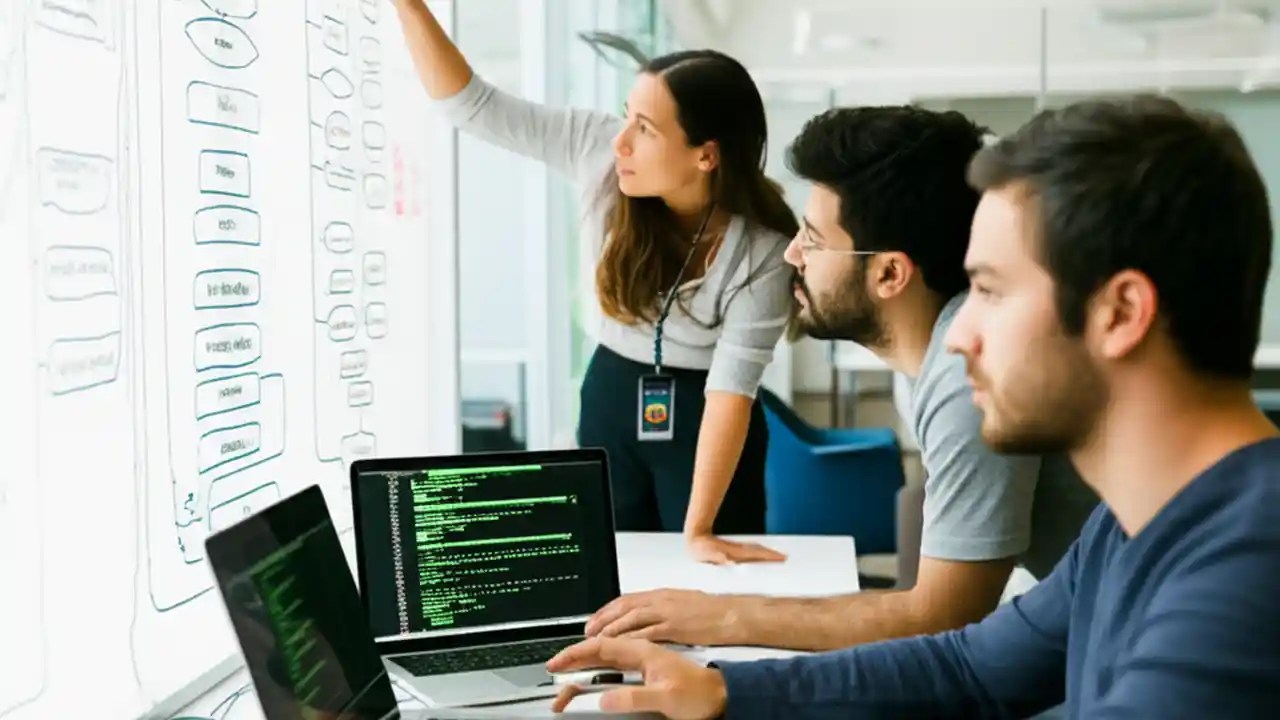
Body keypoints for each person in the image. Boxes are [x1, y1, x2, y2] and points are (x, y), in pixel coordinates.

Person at [546, 94, 1280, 717]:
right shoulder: (1131, 528)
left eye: (990, 291)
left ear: (1119, 312)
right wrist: (722, 691)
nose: (957, 333)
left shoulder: (1248, 569)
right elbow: (971, 668)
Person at [584, 106, 1097, 651]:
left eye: (812, 238)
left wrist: (720, 617)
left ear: (889, 273)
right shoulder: (933, 361)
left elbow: (944, 616)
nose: (791, 254)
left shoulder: (963, 376)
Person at [390, 1, 800, 563]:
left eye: (645, 128)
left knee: (712, 572)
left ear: (705, 155)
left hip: (707, 413)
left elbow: (730, 392)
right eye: (625, 115)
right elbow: (470, 106)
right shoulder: (598, 151)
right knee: (606, 566)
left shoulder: (764, 251)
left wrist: (700, 528)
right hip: (610, 389)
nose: (621, 140)